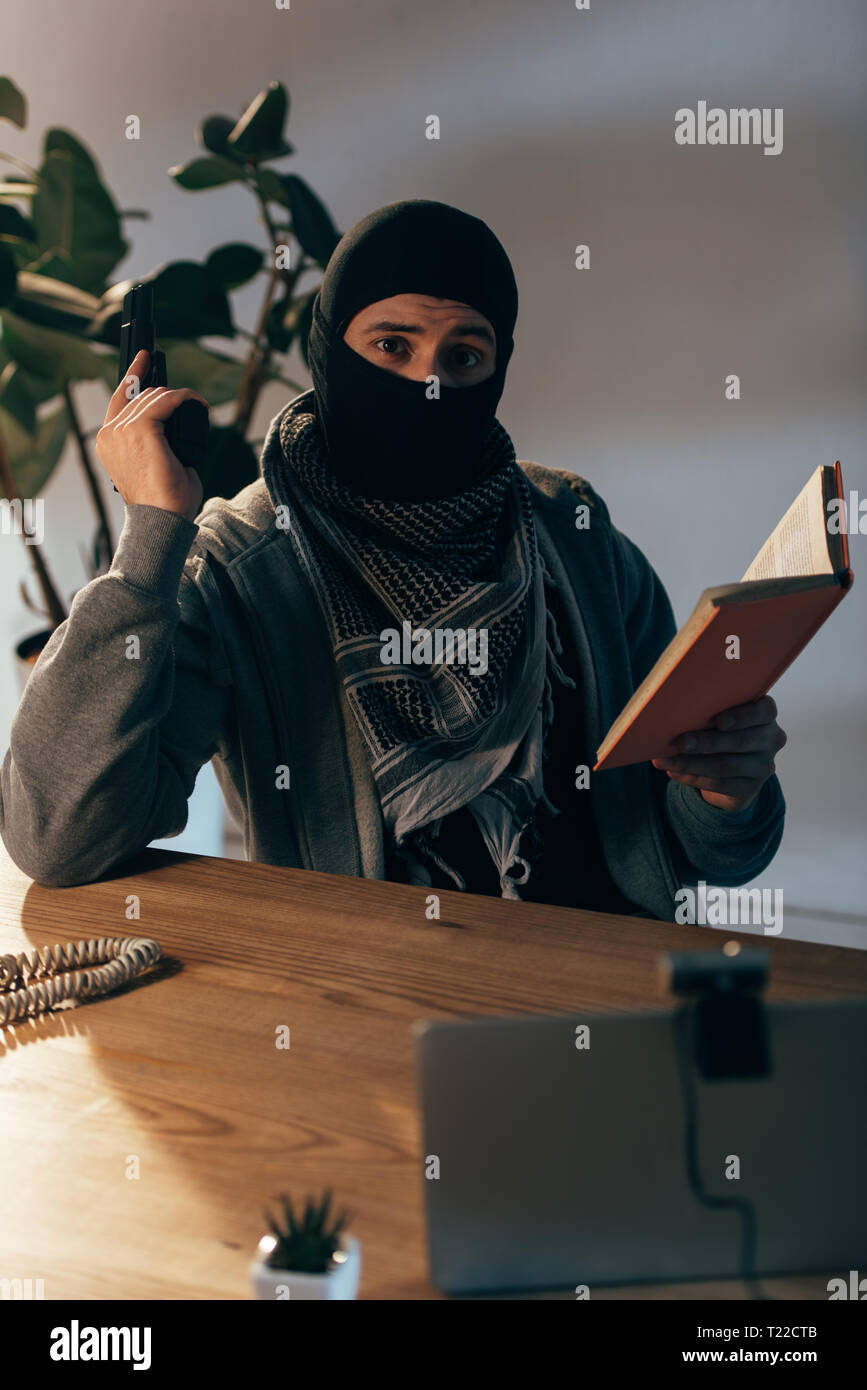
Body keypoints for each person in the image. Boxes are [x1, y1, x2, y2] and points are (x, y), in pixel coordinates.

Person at [0, 200, 786, 918]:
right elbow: (59, 841)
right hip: (367, 1001)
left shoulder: (577, 541)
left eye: (464, 357)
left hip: (602, 989)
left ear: (499, 369)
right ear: (327, 348)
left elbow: (698, 856)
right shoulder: (242, 569)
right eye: (391, 346)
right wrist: (149, 536)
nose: (430, 385)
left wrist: (727, 794)